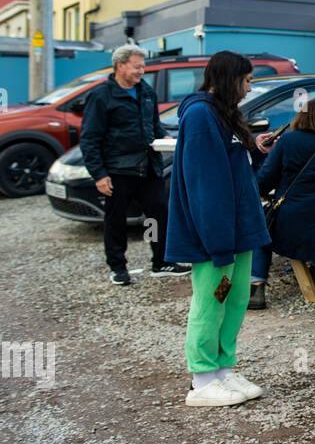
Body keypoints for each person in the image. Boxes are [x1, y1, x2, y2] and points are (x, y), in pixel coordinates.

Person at [165, 51, 271, 407]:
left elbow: (228, 164)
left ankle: (223, 368)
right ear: (229, 79)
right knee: (212, 301)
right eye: (247, 79)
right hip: (216, 233)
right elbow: (204, 185)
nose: (249, 86)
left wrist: (254, 147)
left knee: (235, 299)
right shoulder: (199, 115)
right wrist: (217, 240)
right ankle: (202, 377)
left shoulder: (221, 113)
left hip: (238, 228)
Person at [79, 43, 188, 285]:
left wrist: (163, 137)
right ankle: (118, 267)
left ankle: (160, 262)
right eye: (137, 67)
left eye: (143, 67)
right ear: (120, 66)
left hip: (148, 166)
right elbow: (90, 138)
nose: (142, 71)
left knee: (156, 215)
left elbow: (153, 124)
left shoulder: (146, 92)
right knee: (116, 220)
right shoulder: (101, 97)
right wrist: (99, 174)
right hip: (118, 170)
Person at [249, 99, 315, 309]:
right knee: (308, 221)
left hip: (296, 219)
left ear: (301, 117)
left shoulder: (288, 142)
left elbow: (264, 181)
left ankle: (256, 285)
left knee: (260, 224)